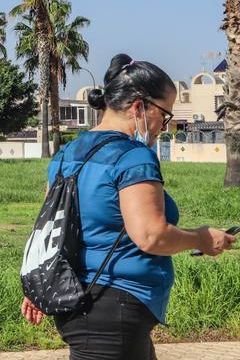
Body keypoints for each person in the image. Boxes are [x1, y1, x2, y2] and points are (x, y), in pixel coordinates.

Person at [19, 53, 236, 359]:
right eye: (164, 115)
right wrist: (201, 238)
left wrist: (39, 282)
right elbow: (151, 235)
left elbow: (50, 228)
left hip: (81, 304)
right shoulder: (132, 156)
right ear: (138, 107)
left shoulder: (68, 154)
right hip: (114, 309)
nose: (164, 126)